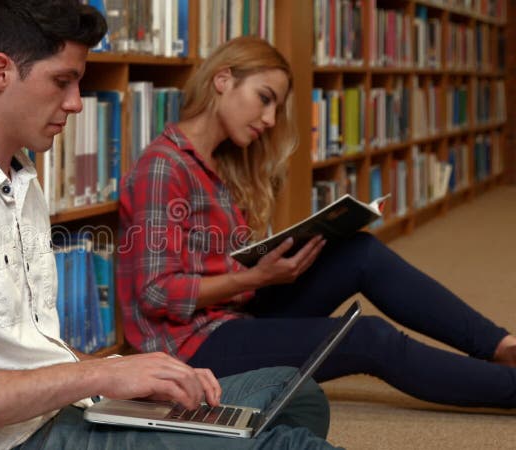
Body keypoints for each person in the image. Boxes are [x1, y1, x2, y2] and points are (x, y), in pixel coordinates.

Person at [0, 2, 343, 449]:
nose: (76, 103)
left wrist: (121, 370)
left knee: (294, 395)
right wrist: (102, 378)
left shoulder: (19, 182)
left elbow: (27, 347)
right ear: (0, 72)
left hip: (64, 408)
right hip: (18, 442)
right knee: (281, 442)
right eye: (62, 81)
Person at [117, 35, 516, 410]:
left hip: (235, 313)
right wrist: (255, 279)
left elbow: (212, 263)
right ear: (222, 80)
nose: (271, 119)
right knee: (365, 338)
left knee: (360, 252)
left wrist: (270, 261)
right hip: (193, 347)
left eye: (276, 107)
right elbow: (155, 292)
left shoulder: (218, 164)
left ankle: (501, 345)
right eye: (264, 99)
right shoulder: (163, 168)